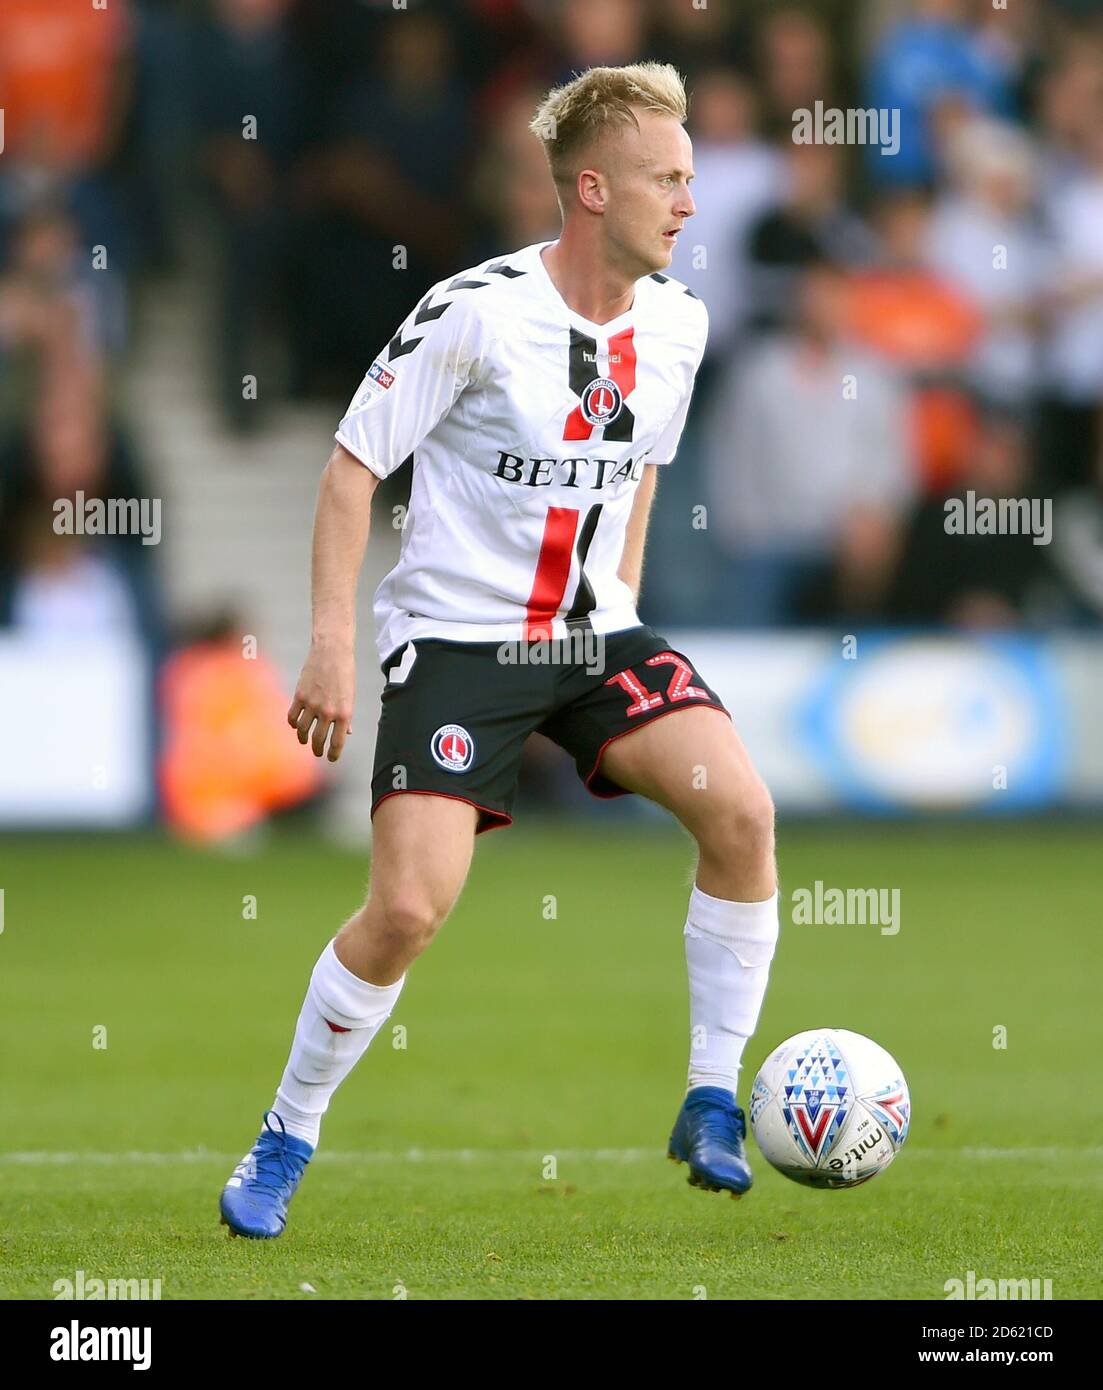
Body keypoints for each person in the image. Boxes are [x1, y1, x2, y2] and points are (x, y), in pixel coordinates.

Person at [219, 63, 779, 1239]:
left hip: (593, 634)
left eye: (688, 178)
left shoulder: (677, 323)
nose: (688, 202)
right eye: (666, 179)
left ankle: (710, 1095)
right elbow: (349, 468)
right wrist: (329, 647)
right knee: (409, 910)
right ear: (590, 189)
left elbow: (640, 469)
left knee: (740, 812)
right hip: (460, 644)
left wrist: (618, 596)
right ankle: (287, 1130)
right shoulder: (473, 310)